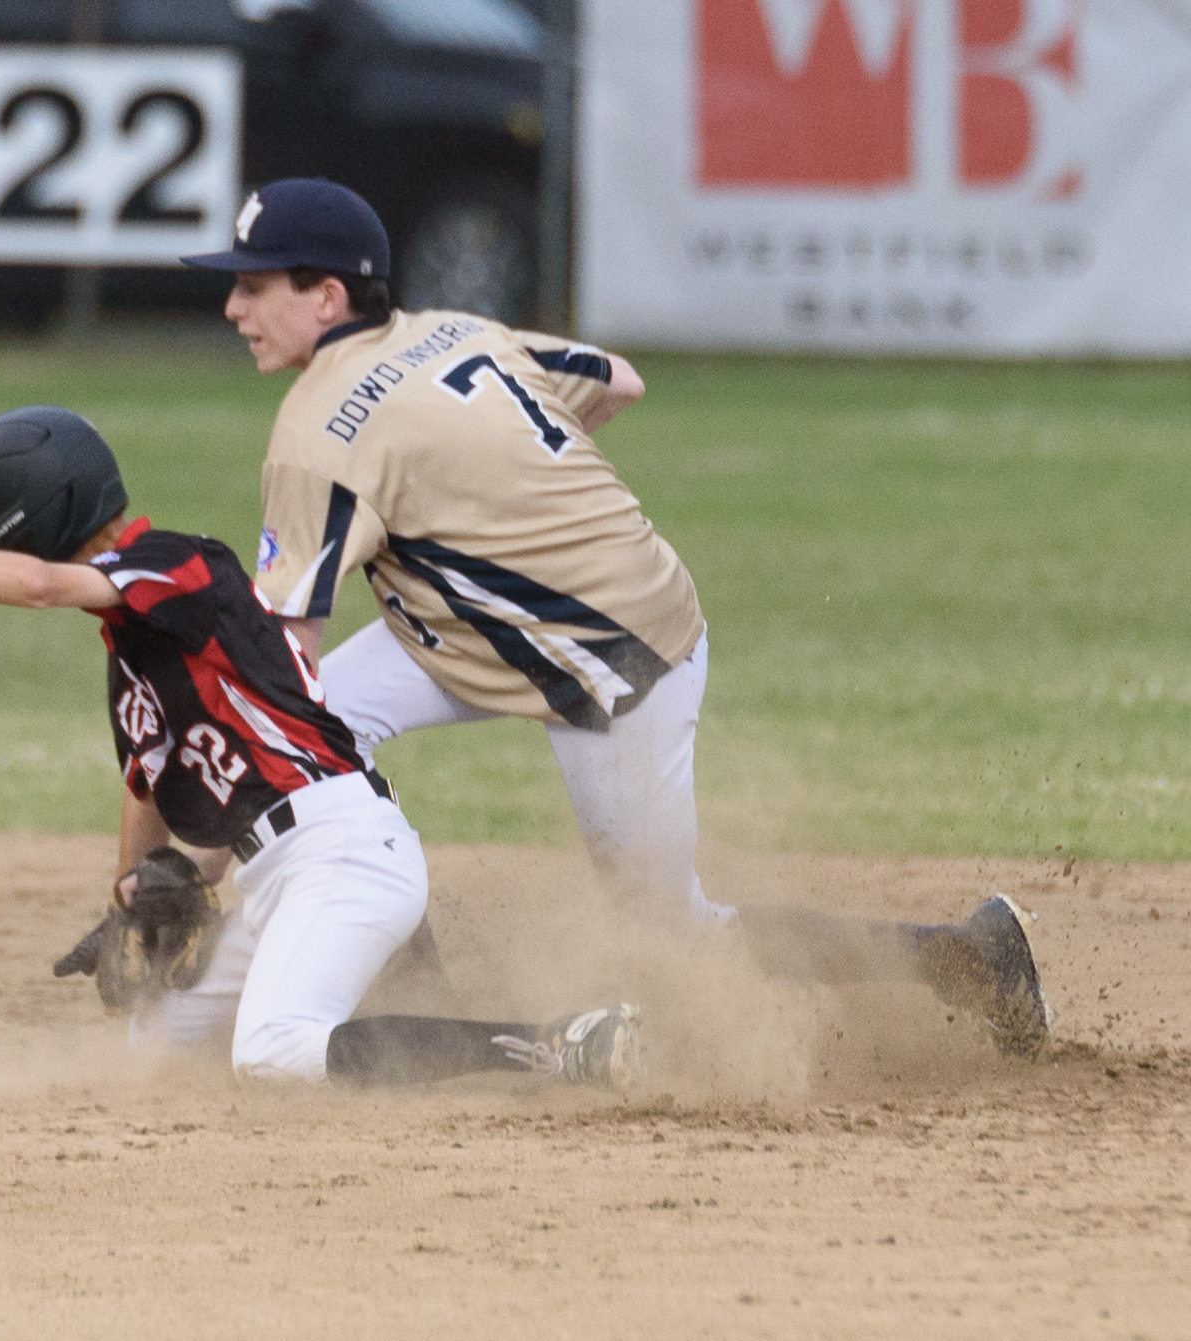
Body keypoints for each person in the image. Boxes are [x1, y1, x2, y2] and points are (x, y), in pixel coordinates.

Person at [180, 180, 1053, 1056]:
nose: (232, 306)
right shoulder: (456, 330)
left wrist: (194, 865)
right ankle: (417, 989)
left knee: (667, 924)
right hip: (527, 626)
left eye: (254, 286)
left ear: (326, 295)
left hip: (607, 660)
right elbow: (618, 381)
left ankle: (967, 962)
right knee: (329, 724)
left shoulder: (316, 432)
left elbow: (278, 670)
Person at [0, 404, 641, 1089]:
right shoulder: (134, 658)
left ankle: (549, 1041)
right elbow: (145, 789)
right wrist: (131, 904)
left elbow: (45, 586)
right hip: (280, 868)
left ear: (35, 520)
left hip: (343, 847)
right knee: (161, 1040)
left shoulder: (180, 564)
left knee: (274, 1053)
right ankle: (399, 996)